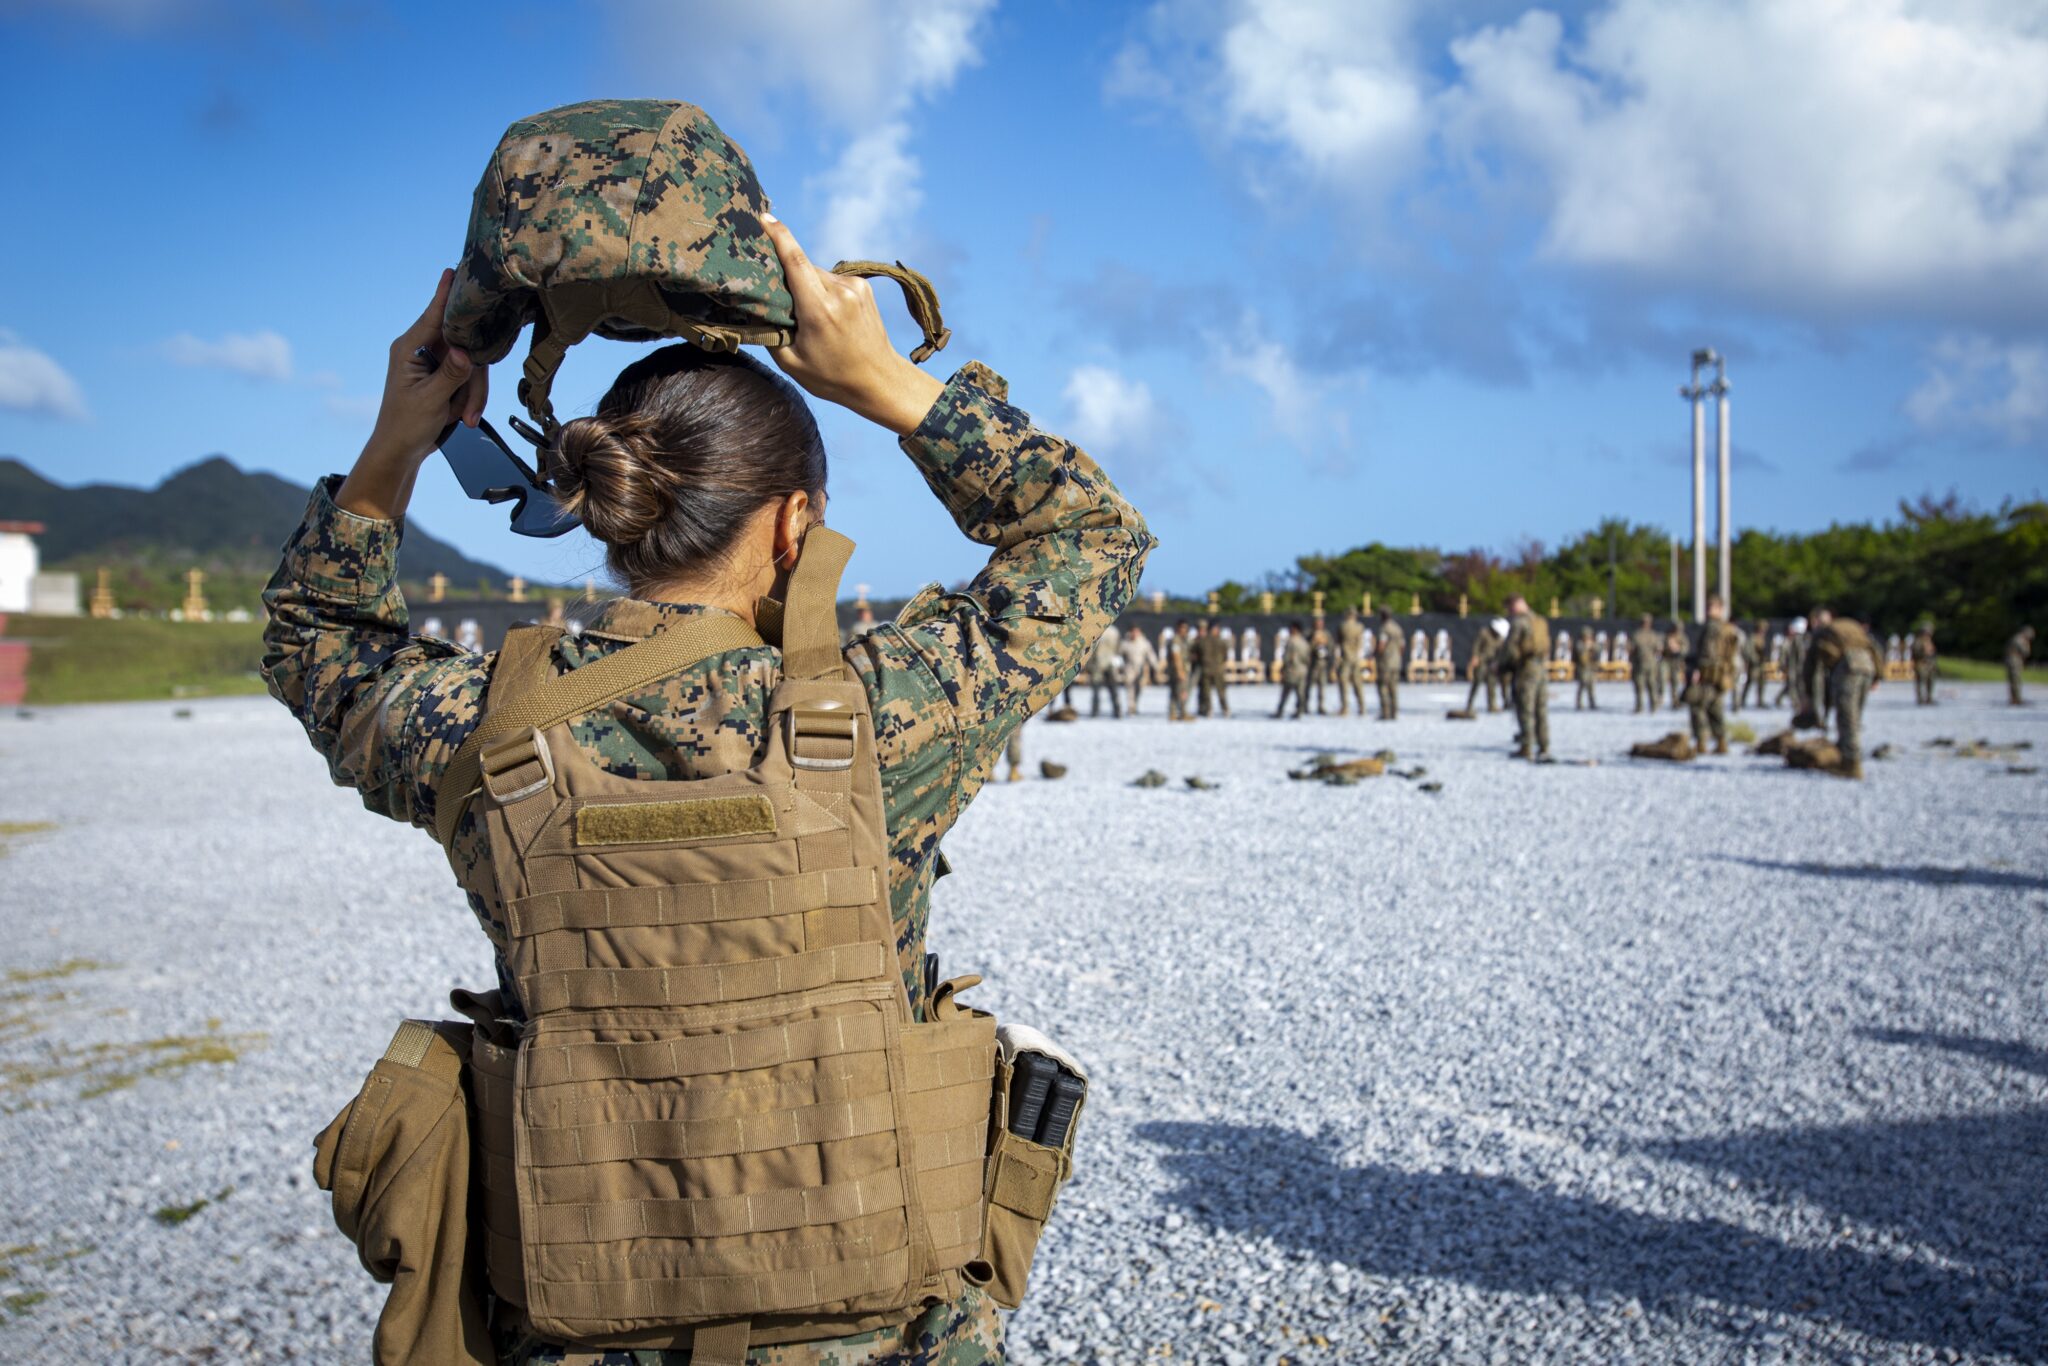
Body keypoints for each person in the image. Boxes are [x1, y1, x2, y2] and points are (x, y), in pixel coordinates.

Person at [261, 225, 1153, 1365]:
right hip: (886, 1338)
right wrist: (885, 381)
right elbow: (1088, 534)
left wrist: (402, 439)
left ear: (603, 513)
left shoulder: (478, 730)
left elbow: (316, 638)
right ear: (795, 525)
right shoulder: (886, 716)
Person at [1799, 606, 1882, 779]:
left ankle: (1851, 764)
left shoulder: (1824, 632)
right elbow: (1873, 648)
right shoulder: (1851, 625)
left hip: (1848, 667)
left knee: (1846, 715)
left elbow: (1810, 667)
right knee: (1855, 716)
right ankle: (1846, 752)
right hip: (1867, 666)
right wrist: (1877, 677)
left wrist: (1808, 695)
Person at [1498, 595, 1550, 761]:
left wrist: (1502, 665)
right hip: (1541, 668)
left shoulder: (1519, 623)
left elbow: (1510, 648)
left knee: (1525, 708)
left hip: (1526, 669)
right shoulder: (1539, 621)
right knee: (1540, 708)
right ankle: (1544, 745)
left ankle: (1527, 746)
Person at [1687, 594, 1740, 755]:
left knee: (1697, 705)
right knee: (1715, 708)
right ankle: (1721, 741)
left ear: (1720, 609)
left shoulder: (1712, 628)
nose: (1709, 610)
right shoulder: (1729, 628)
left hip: (1709, 673)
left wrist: (1697, 670)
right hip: (1722, 674)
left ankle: (1702, 742)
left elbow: (1707, 653)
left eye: (1712, 607)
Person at [1465, 617, 1505, 713]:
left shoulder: (1500, 638)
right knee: (1477, 683)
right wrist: (1475, 657)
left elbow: (1501, 650)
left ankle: (1492, 705)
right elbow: (1476, 645)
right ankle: (1470, 705)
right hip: (1482, 661)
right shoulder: (1484, 633)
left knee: (1492, 684)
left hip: (1492, 662)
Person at [1273, 621, 1311, 719]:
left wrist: (1283, 668)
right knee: (1300, 692)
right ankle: (1299, 710)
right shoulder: (1304, 642)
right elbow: (1307, 658)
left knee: (1286, 692)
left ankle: (1280, 711)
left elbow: (1287, 657)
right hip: (1303, 670)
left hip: (1292, 670)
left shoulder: (1291, 641)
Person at [1195, 619, 1232, 717]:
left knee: (1207, 692)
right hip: (1217, 670)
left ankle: (1209, 710)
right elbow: (1225, 655)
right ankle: (1225, 709)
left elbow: (1196, 655)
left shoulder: (1202, 641)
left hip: (1206, 669)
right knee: (1220, 692)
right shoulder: (1220, 641)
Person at [1120, 623, 1159, 715]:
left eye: (1136, 631)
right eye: (1133, 631)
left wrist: (1155, 666)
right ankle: (1131, 707)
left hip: (1141, 668)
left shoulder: (1144, 643)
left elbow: (1150, 654)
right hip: (1129, 668)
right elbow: (1119, 654)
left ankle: (1135, 705)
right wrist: (1120, 666)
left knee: (1139, 689)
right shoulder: (1125, 643)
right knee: (1130, 688)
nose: (1134, 633)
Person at [1087, 621, 1123, 718]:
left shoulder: (1112, 632)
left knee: (1112, 689)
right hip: (1099, 664)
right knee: (1097, 690)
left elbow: (1118, 648)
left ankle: (1116, 711)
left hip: (1108, 664)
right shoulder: (1099, 631)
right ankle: (1095, 711)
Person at [1335, 608, 1367, 715]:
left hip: (1346, 657)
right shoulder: (1359, 627)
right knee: (1358, 684)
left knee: (1343, 683)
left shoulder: (1343, 626)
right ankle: (1362, 707)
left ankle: (1344, 707)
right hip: (1355, 657)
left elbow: (1338, 641)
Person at [1374, 608, 1405, 721]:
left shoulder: (1384, 629)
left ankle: (1385, 712)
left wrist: (1376, 654)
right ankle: (1394, 711)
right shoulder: (1397, 628)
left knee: (1383, 687)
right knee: (1394, 688)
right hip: (1396, 662)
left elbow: (1382, 645)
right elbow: (1402, 646)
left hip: (1385, 662)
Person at [1629, 613, 1662, 714]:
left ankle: (1653, 705)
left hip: (1650, 664)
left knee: (1651, 685)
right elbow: (1631, 649)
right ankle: (1640, 706)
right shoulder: (1636, 635)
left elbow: (1659, 649)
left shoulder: (1653, 635)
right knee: (1639, 686)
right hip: (1640, 664)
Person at [1775, 616, 1809, 712]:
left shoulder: (1798, 640)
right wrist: (1782, 666)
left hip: (1797, 667)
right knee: (1792, 685)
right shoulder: (1786, 642)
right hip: (1790, 667)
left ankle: (1779, 699)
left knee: (1791, 685)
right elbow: (1783, 656)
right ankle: (1796, 703)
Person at [1167, 618, 1195, 721]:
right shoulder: (1176, 640)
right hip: (1178, 671)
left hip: (1183, 669)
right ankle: (1183, 713)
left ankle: (1173, 713)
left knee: (1175, 692)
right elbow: (1176, 656)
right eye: (1182, 627)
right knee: (1182, 692)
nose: (1184, 630)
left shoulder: (1185, 639)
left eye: (1185, 628)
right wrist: (1180, 672)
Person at [1307, 620, 1332, 715]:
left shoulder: (1327, 634)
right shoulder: (1310, 634)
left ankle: (1321, 706)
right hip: (1313, 663)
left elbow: (1331, 646)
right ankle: (1305, 705)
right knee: (1309, 685)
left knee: (1322, 686)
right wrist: (1314, 642)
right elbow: (1307, 648)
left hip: (1323, 662)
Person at [1661, 621, 1689, 708]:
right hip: (1667, 660)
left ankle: (1675, 701)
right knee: (1662, 680)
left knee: (1675, 682)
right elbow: (1661, 648)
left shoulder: (1683, 638)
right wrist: (1667, 647)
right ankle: (1659, 699)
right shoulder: (1667, 636)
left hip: (1677, 662)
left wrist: (1678, 648)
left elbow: (1686, 650)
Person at [1911, 623, 1938, 706]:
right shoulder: (1918, 641)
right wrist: (1924, 652)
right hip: (1921, 664)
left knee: (1930, 681)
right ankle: (1920, 698)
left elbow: (1933, 652)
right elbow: (1915, 652)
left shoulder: (1929, 641)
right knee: (1920, 681)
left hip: (1929, 665)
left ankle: (1929, 698)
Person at [1572, 628, 1598, 710]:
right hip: (1582, 669)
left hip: (1591, 668)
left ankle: (1592, 702)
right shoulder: (1579, 644)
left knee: (1591, 687)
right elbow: (1580, 655)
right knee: (1582, 686)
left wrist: (1592, 647)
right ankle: (1579, 703)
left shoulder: (1592, 644)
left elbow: (1598, 650)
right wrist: (1586, 648)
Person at [2008, 625, 2035, 705]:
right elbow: (2025, 652)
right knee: (2015, 680)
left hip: (2015, 661)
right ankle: (2016, 699)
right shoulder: (2020, 639)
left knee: (2015, 680)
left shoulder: (2018, 638)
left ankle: (2015, 698)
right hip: (2014, 661)